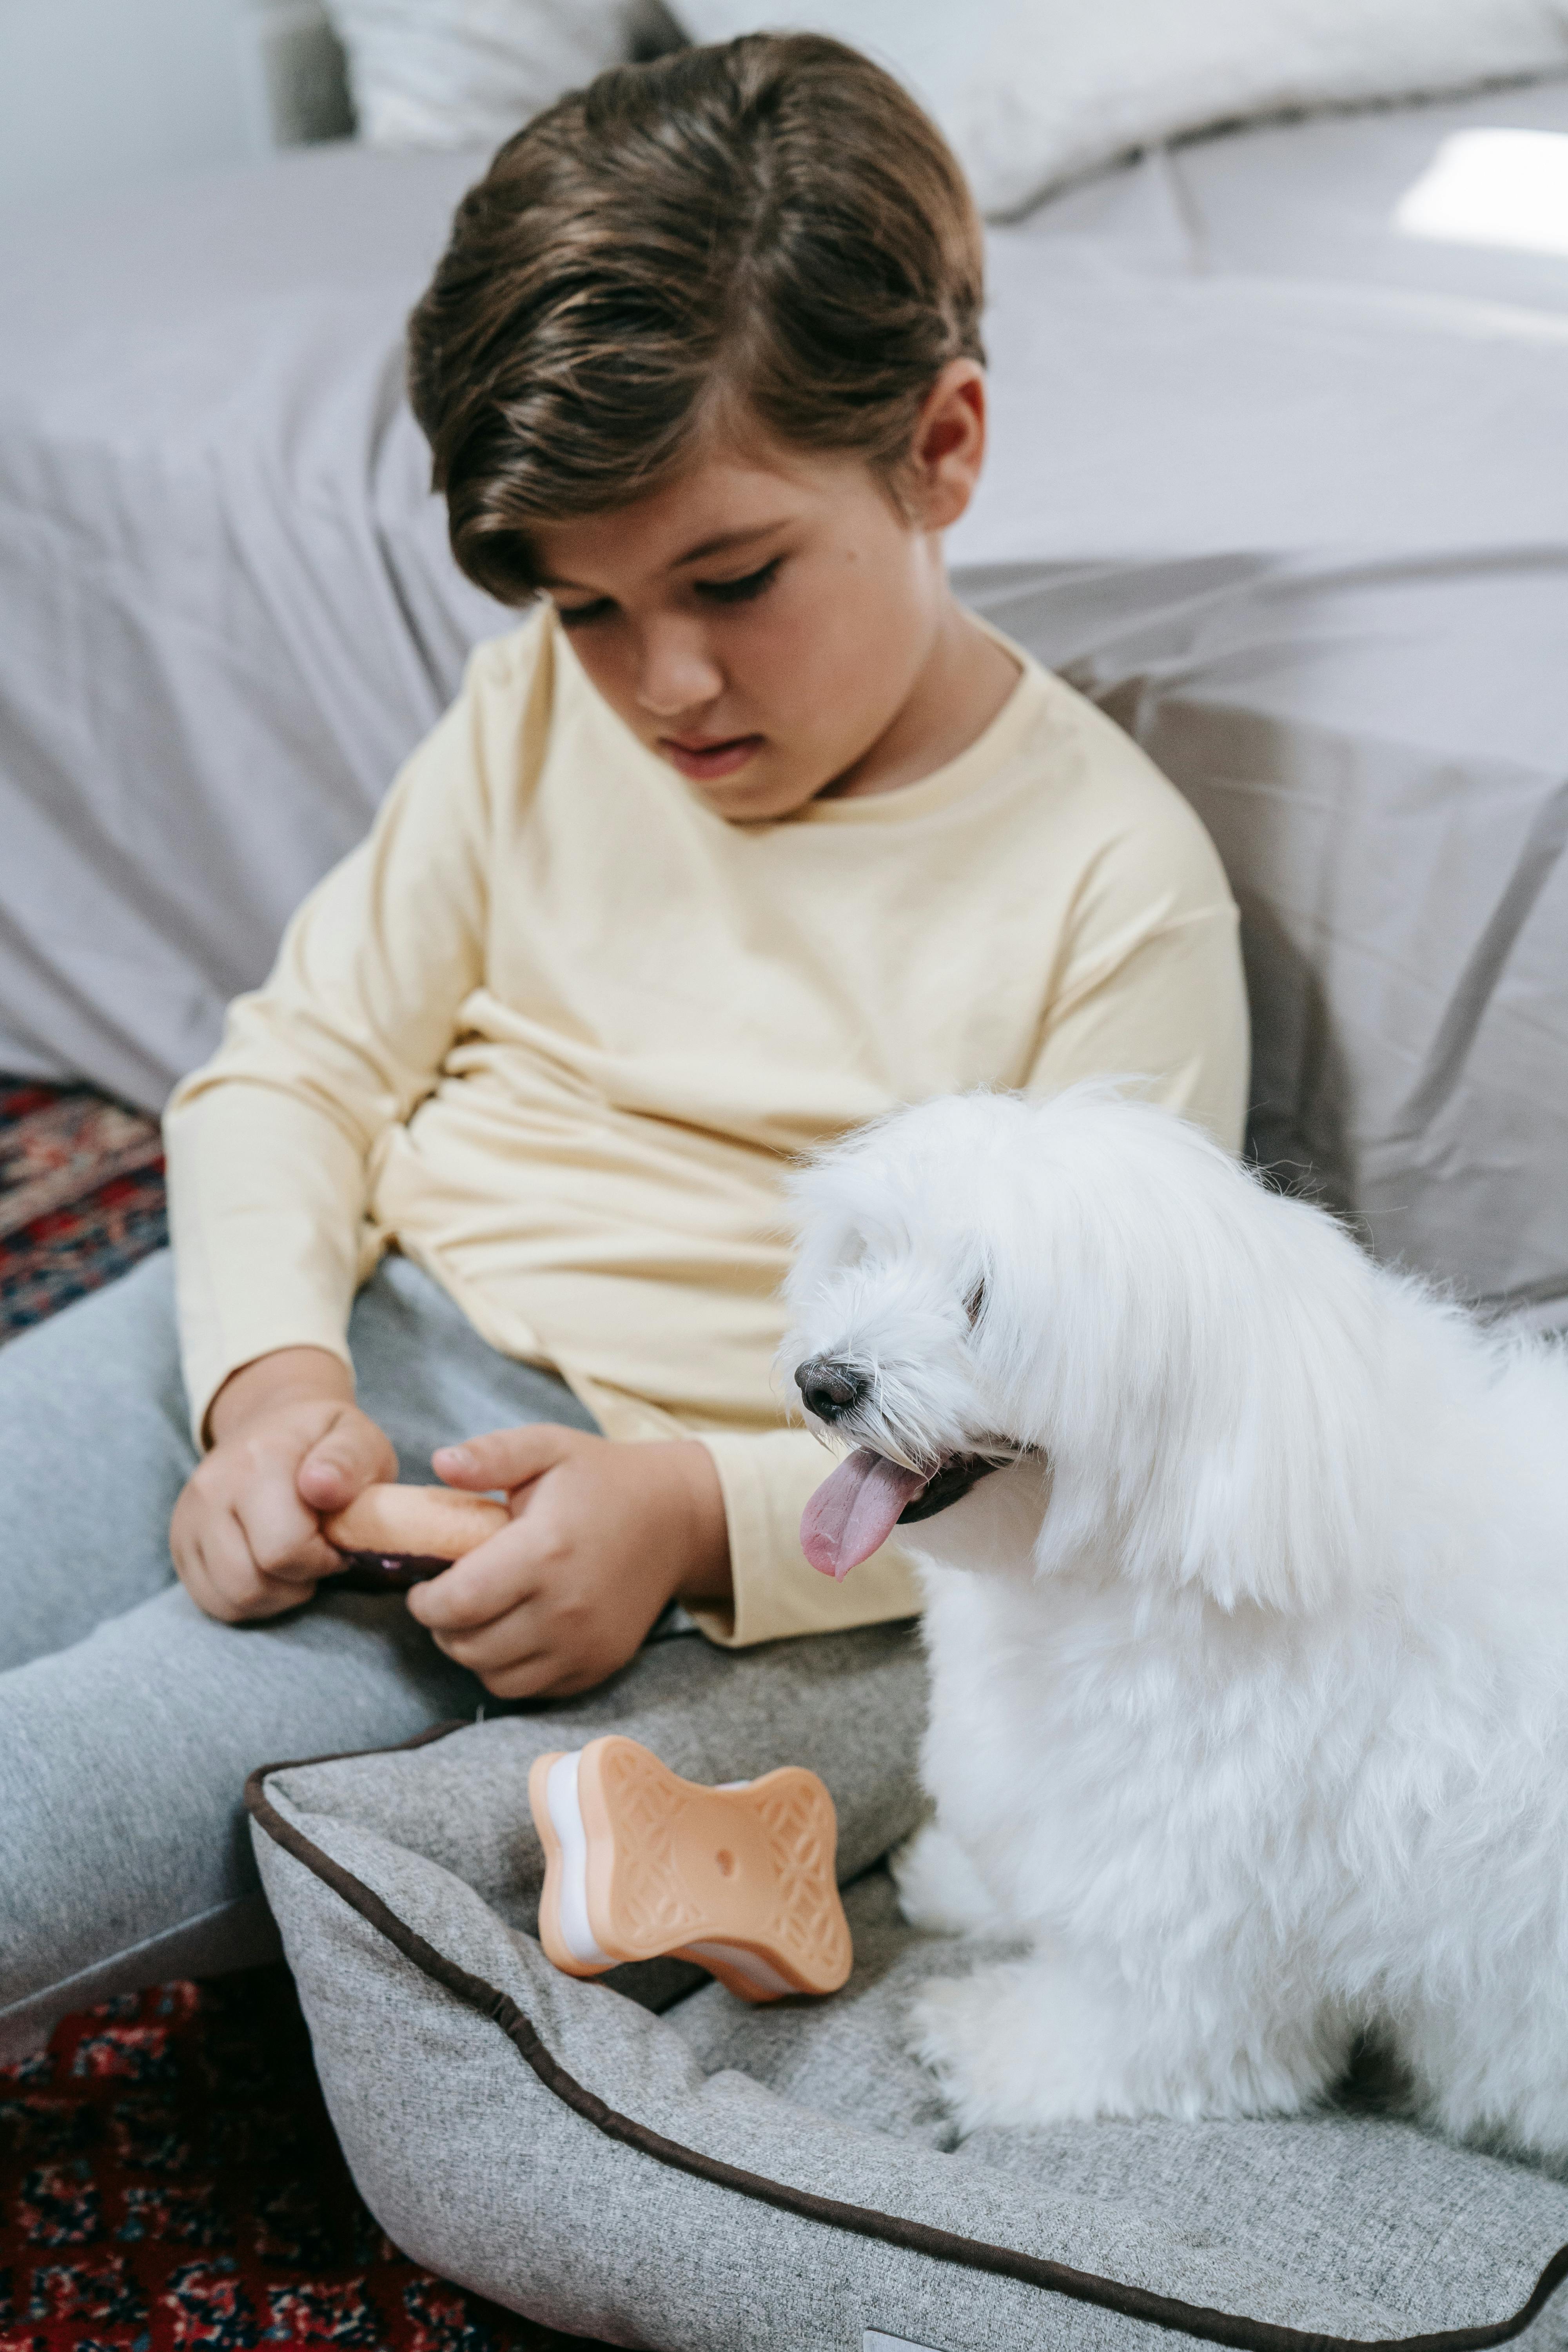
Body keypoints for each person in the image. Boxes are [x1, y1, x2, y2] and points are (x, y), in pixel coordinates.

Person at [0, 32, 1248, 2059]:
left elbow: (1088, 1436)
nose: (661, 681)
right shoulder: (536, 709)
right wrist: (264, 1381)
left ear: (939, 448)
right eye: (589, 607)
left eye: (732, 582)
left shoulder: (1112, 888)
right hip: (314, 1339)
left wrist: (693, 1515)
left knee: (45, 1801)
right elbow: (295, 1067)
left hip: (591, 1533)